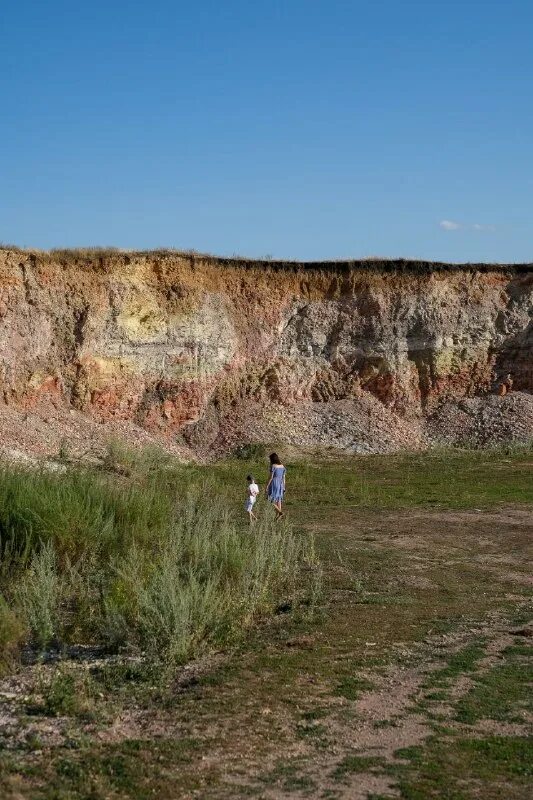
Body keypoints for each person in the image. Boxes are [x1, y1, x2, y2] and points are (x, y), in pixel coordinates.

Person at [266, 452, 286, 518]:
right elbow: (283, 478)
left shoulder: (273, 466)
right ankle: (277, 517)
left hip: (274, 483)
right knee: (278, 499)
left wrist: (267, 485)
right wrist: (284, 487)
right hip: (281, 484)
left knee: (270, 500)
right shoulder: (282, 466)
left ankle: (280, 512)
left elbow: (271, 477)